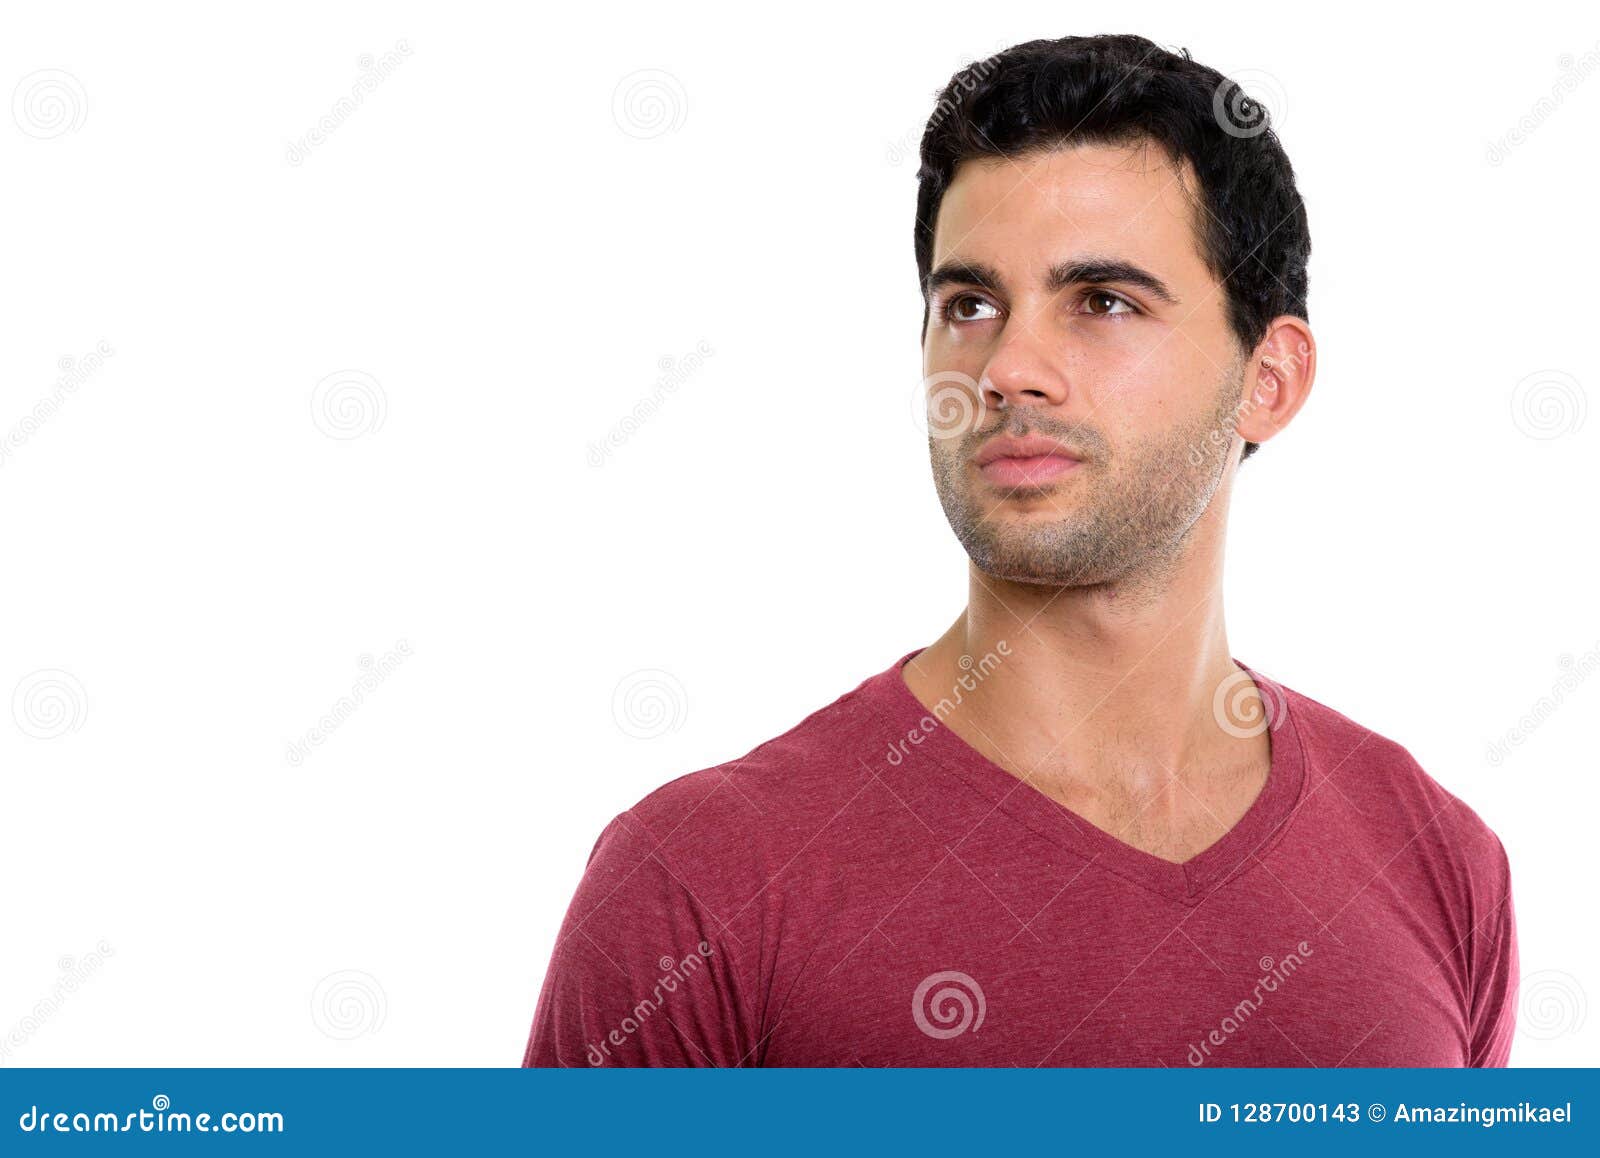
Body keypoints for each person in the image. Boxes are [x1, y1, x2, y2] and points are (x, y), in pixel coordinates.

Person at [522, 32, 1517, 1067]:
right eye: (971, 306)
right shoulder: (702, 879)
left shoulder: (1436, 860)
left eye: (1102, 302)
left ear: (1268, 379)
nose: (1008, 368)